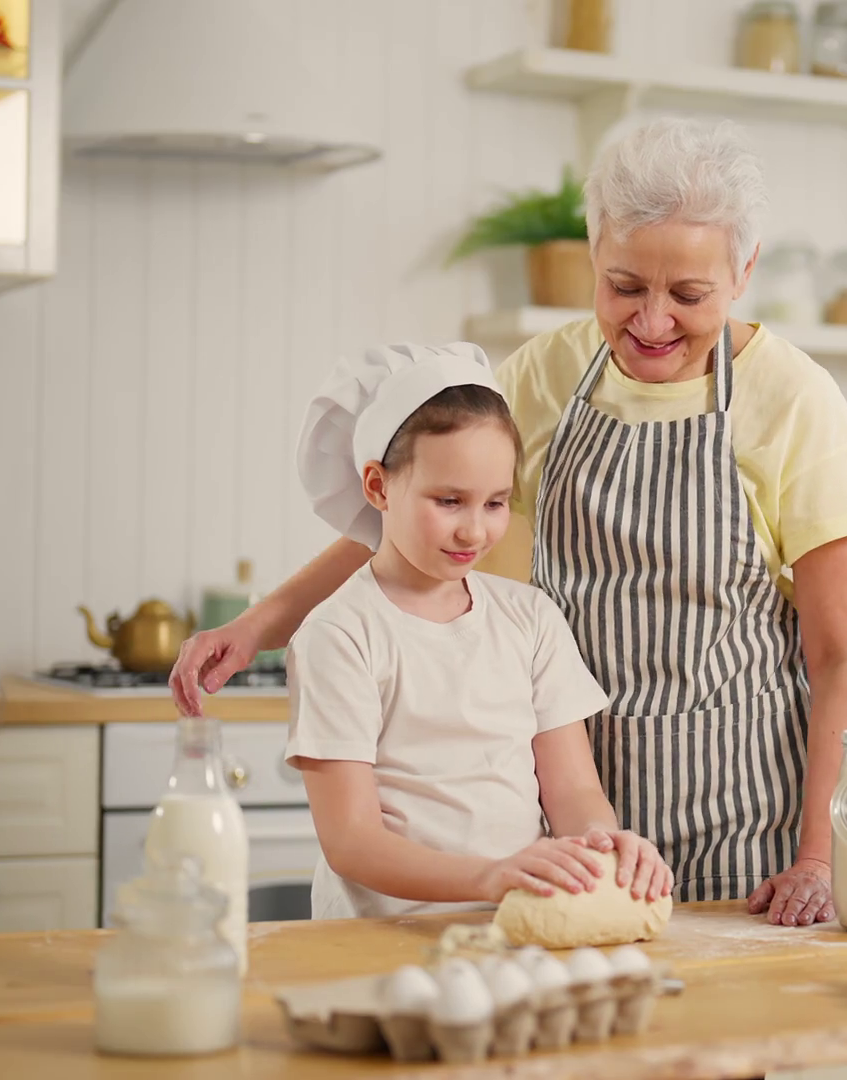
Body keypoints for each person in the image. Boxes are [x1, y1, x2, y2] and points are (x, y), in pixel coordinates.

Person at [173, 116, 847, 926]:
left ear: (744, 270)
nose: (652, 322)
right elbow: (420, 503)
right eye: (623, 286)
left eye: (689, 296)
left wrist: (819, 858)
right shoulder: (546, 374)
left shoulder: (796, 401)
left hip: (738, 819)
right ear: (593, 254)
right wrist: (265, 621)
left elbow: (844, 657)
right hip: (571, 814)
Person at [286, 342, 672, 918]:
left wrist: (599, 844)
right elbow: (351, 843)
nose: (474, 530)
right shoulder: (341, 635)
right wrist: (488, 877)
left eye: (495, 503)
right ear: (378, 487)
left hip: (515, 924)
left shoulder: (531, 619)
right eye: (449, 501)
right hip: (380, 940)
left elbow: (572, 791)